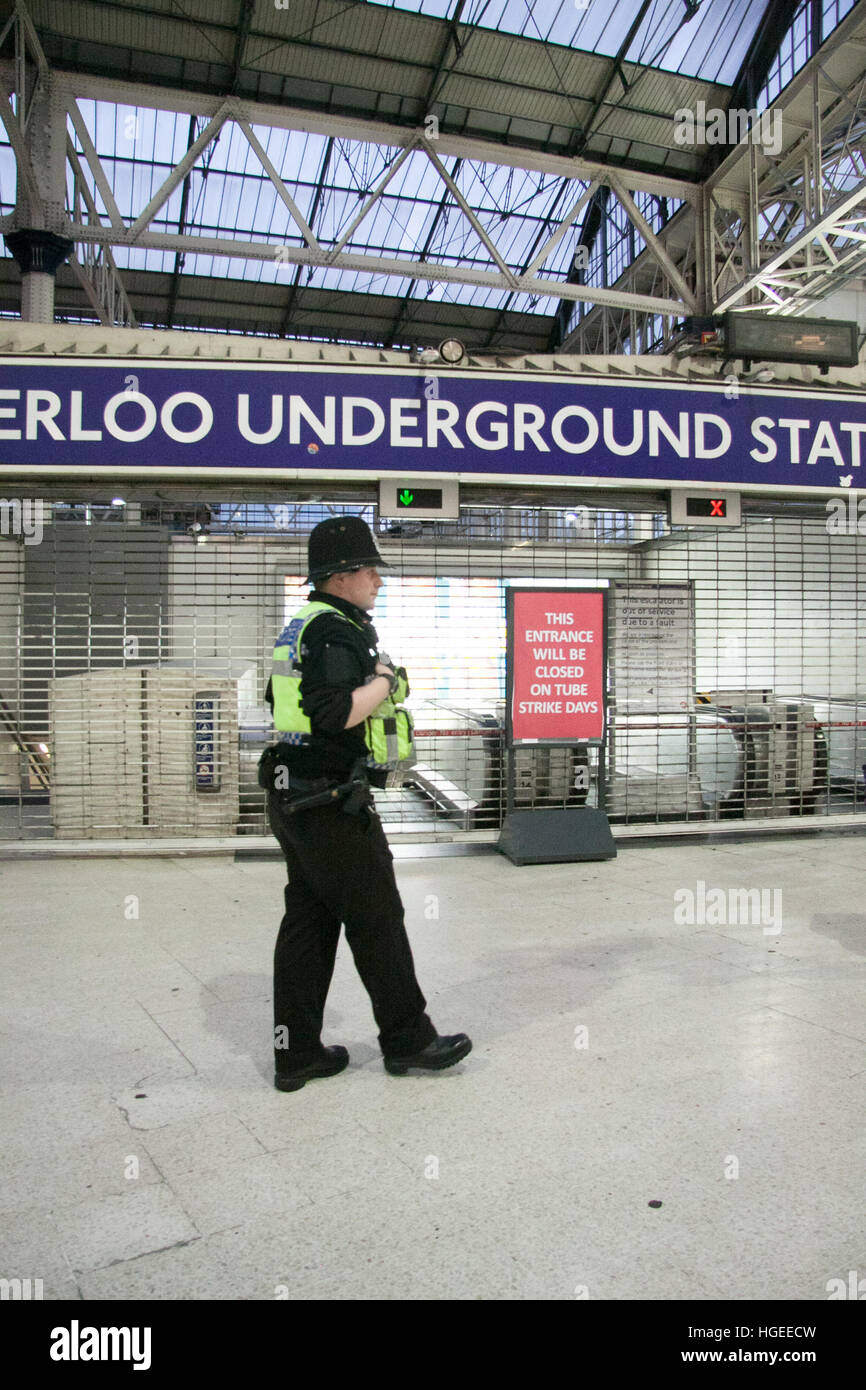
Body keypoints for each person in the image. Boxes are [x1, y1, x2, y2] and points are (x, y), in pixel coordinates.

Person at [261, 514, 472, 1092]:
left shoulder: (301, 625)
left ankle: (297, 1052)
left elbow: (288, 705)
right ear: (340, 575)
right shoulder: (334, 631)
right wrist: (383, 678)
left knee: (309, 923)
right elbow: (335, 712)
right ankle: (408, 1041)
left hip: (294, 794)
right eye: (370, 570)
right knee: (378, 919)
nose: (378, 580)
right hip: (328, 801)